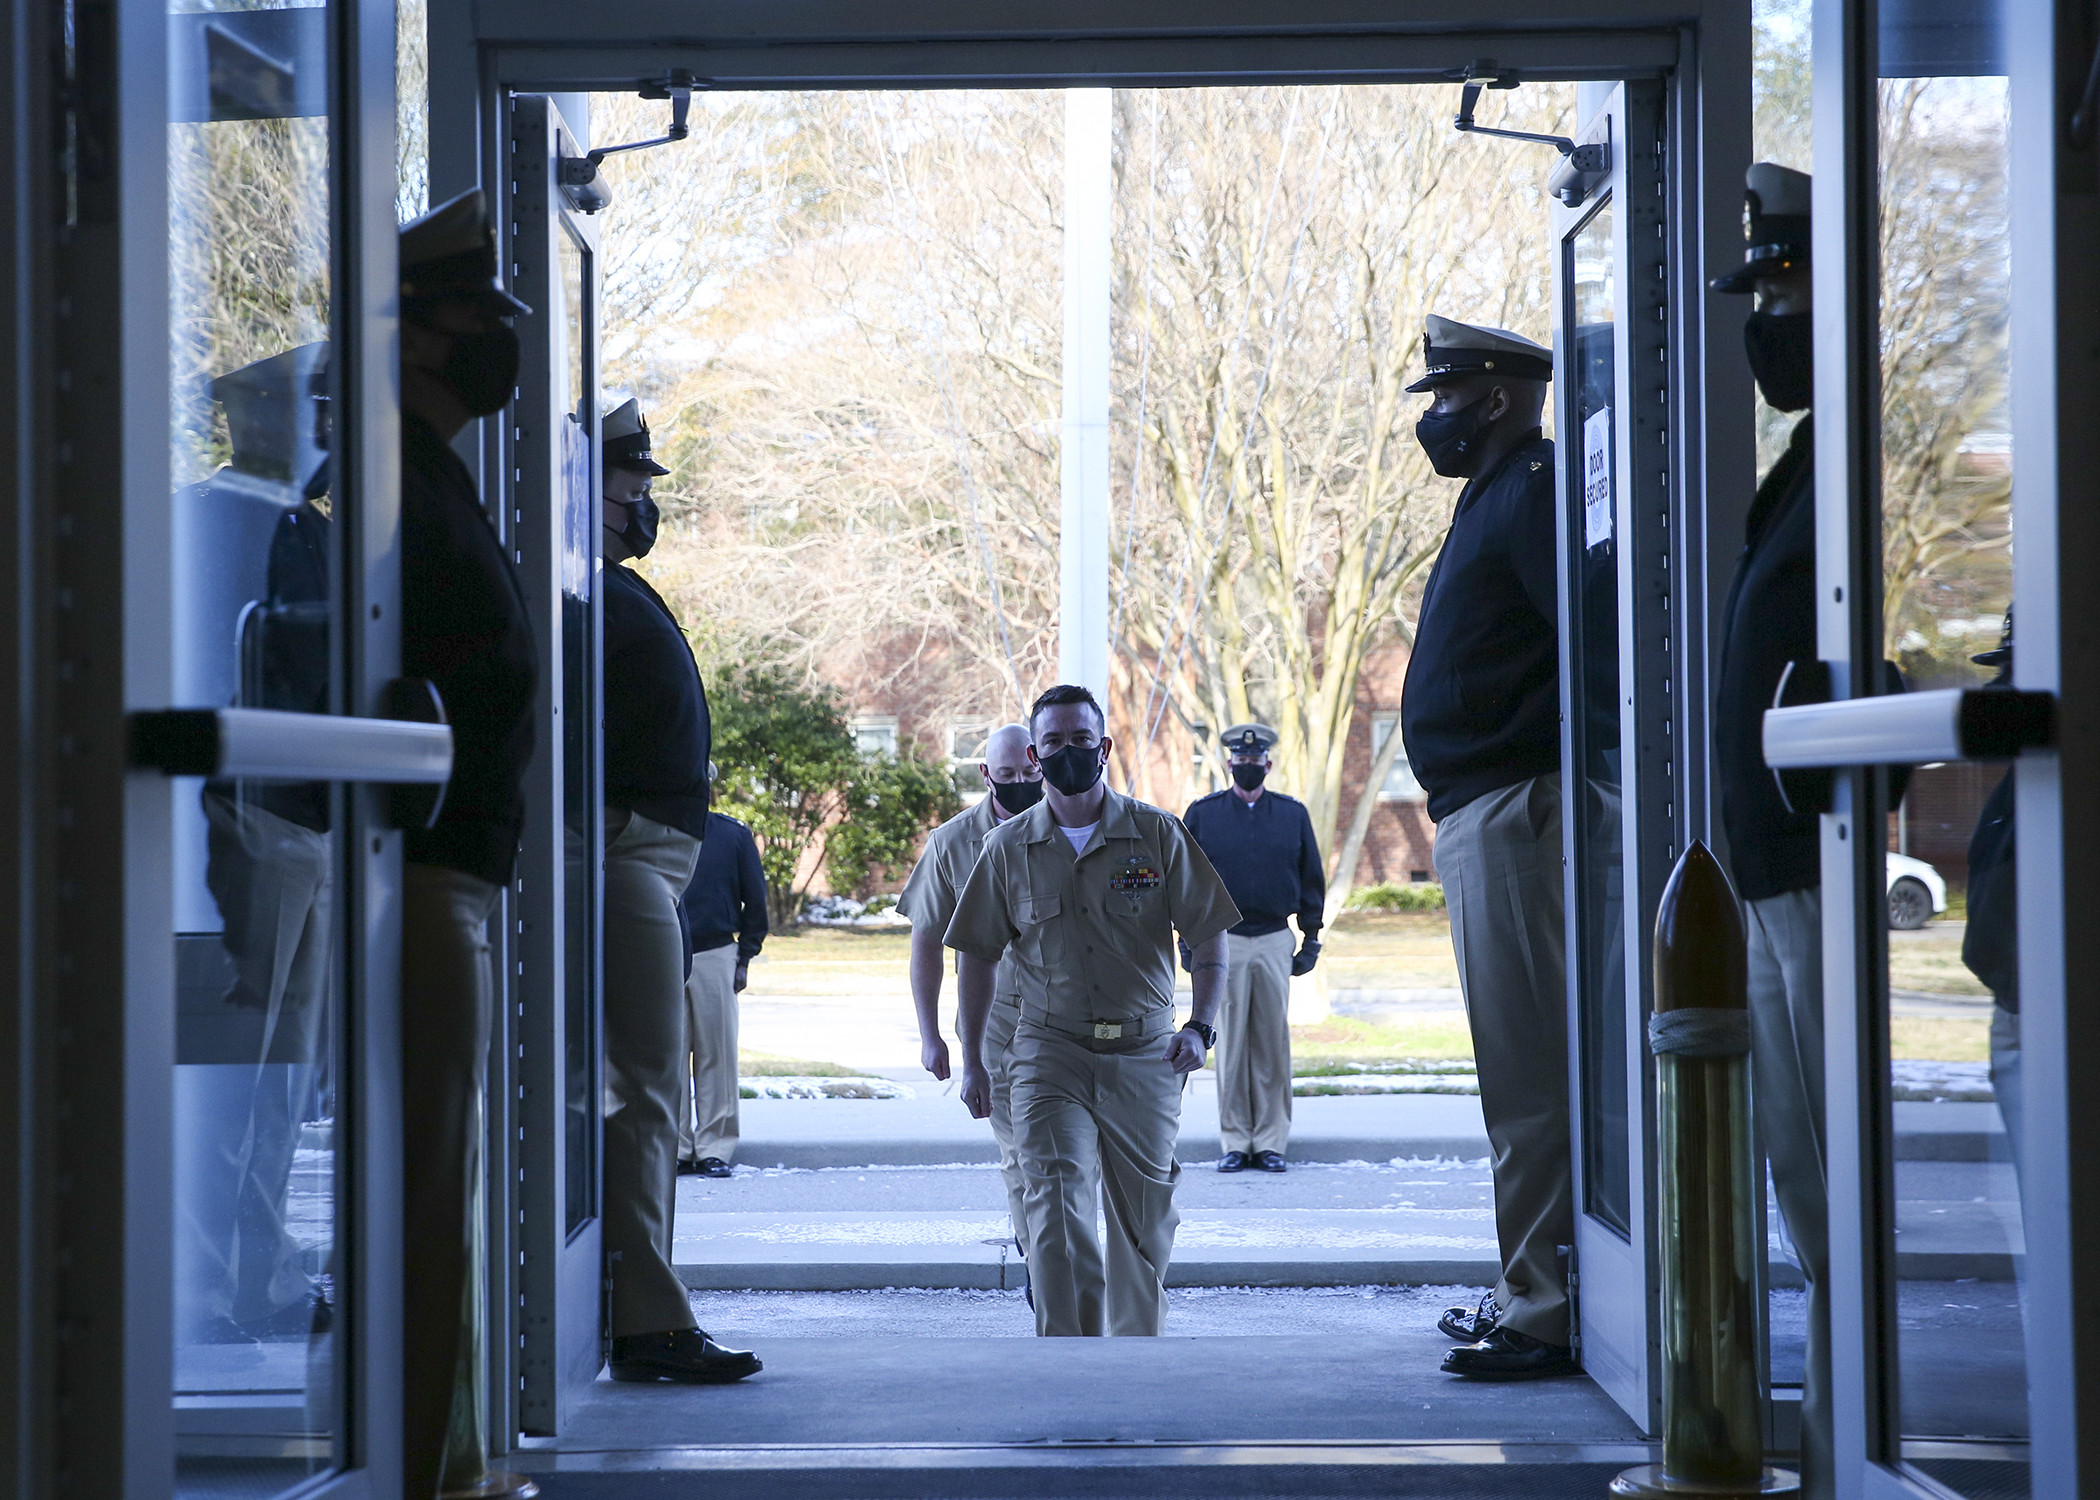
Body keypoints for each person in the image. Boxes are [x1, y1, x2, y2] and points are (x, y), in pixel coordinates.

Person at [944, 685, 1240, 1337]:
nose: (1069, 752)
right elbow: (977, 957)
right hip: (1050, 1054)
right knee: (1054, 1208)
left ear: (1104, 748)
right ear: (1033, 753)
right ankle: (1070, 1367)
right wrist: (973, 1062)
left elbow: (1210, 932)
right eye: (1054, 742)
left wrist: (1202, 1024)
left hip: (1146, 1055)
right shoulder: (1007, 849)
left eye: (1082, 740)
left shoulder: (1157, 834)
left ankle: (1135, 1364)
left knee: (1144, 1224)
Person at [1396, 313, 1577, 1381]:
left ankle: (1545, 1305)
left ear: (1497, 397)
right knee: (1519, 1067)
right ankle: (1536, 1286)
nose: (1438, 419)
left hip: (1522, 807)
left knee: (1530, 1072)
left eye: (1447, 399)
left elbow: (1587, 649)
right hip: (1490, 807)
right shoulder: (1498, 495)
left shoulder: (1535, 488)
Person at [394, 190, 541, 1498]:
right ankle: (426, 1476)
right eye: (471, 318)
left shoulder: (432, 472)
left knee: (449, 1186)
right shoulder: (385, 480)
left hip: (452, 875)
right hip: (415, 875)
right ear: (408, 333)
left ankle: (446, 1459)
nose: (495, 340)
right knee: (428, 1192)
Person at [1709, 162, 1832, 1495]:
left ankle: (1846, 1440)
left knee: (1822, 1171)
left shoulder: (1850, 454)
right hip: (1771, 858)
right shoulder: (1805, 459)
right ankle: (1832, 1430)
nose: (1765, 320)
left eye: (1783, 287)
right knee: (1794, 1165)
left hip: (1813, 856)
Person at [596, 397, 760, 1384]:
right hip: (616, 856)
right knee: (642, 1092)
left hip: (643, 860)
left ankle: (637, 1308)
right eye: (627, 479)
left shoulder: (603, 586)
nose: (638, 499)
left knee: (647, 1090)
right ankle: (647, 1321)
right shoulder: (573, 588)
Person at [896, 724, 1045, 1263]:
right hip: (996, 1025)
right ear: (986, 775)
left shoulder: (1068, 826)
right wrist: (931, 1035)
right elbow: (926, 943)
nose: (1021, 784)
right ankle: (1040, 1264)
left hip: (1068, 1013)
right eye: (1006, 776)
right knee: (1021, 1153)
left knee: (1068, 1154)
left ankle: (1068, 1257)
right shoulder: (952, 842)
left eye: (1030, 773)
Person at [1182, 722, 1326, 1173]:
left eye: (1255, 760)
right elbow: (1183, 882)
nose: (1247, 766)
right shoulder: (1203, 814)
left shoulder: (1291, 814)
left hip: (1272, 940)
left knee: (1270, 1044)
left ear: (1268, 763)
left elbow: (1311, 879)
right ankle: (1235, 1141)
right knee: (1230, 1047)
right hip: (1220, 942)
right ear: (1229, 764)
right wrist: (1188, 941)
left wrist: (1312, 936)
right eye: (1239, 761)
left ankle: (1270, 1141)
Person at [676, 778, 768, 1178]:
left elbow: (756, 899)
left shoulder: (732, 835)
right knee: (668, 1056)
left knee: (717, 1054)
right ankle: (674, 1147)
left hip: (716, 953)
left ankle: (715, 1147)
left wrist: (745, 955)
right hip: (663, 951)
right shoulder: (660, 837)